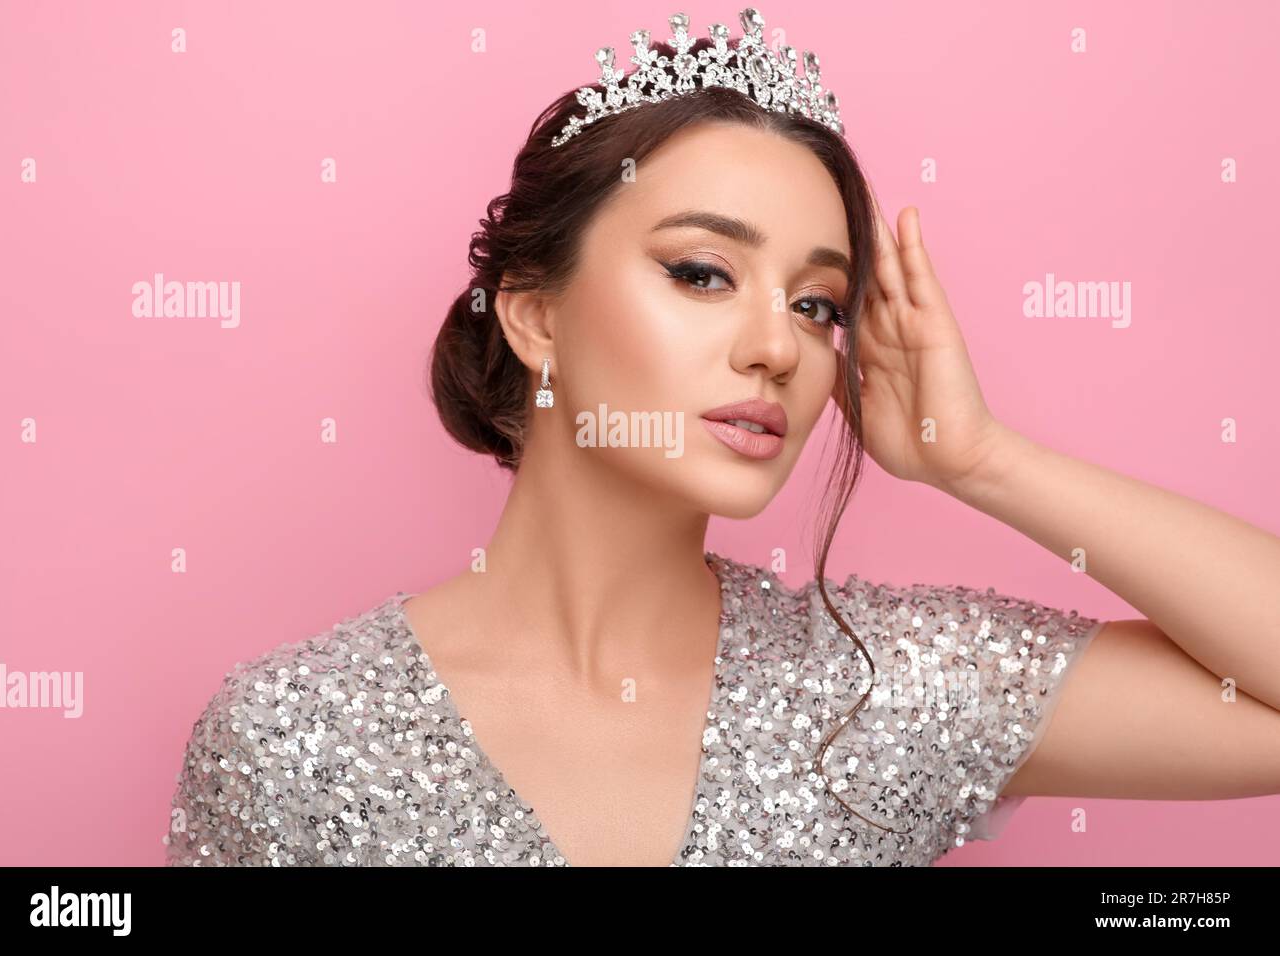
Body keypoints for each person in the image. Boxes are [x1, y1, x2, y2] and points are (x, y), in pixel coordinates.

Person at [164, 8, 1280, 867]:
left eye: (817, 303)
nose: (778, 348)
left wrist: (980, 457)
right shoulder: (289, 734)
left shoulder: (884, 687)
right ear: (534, 312)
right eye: (701, 272)